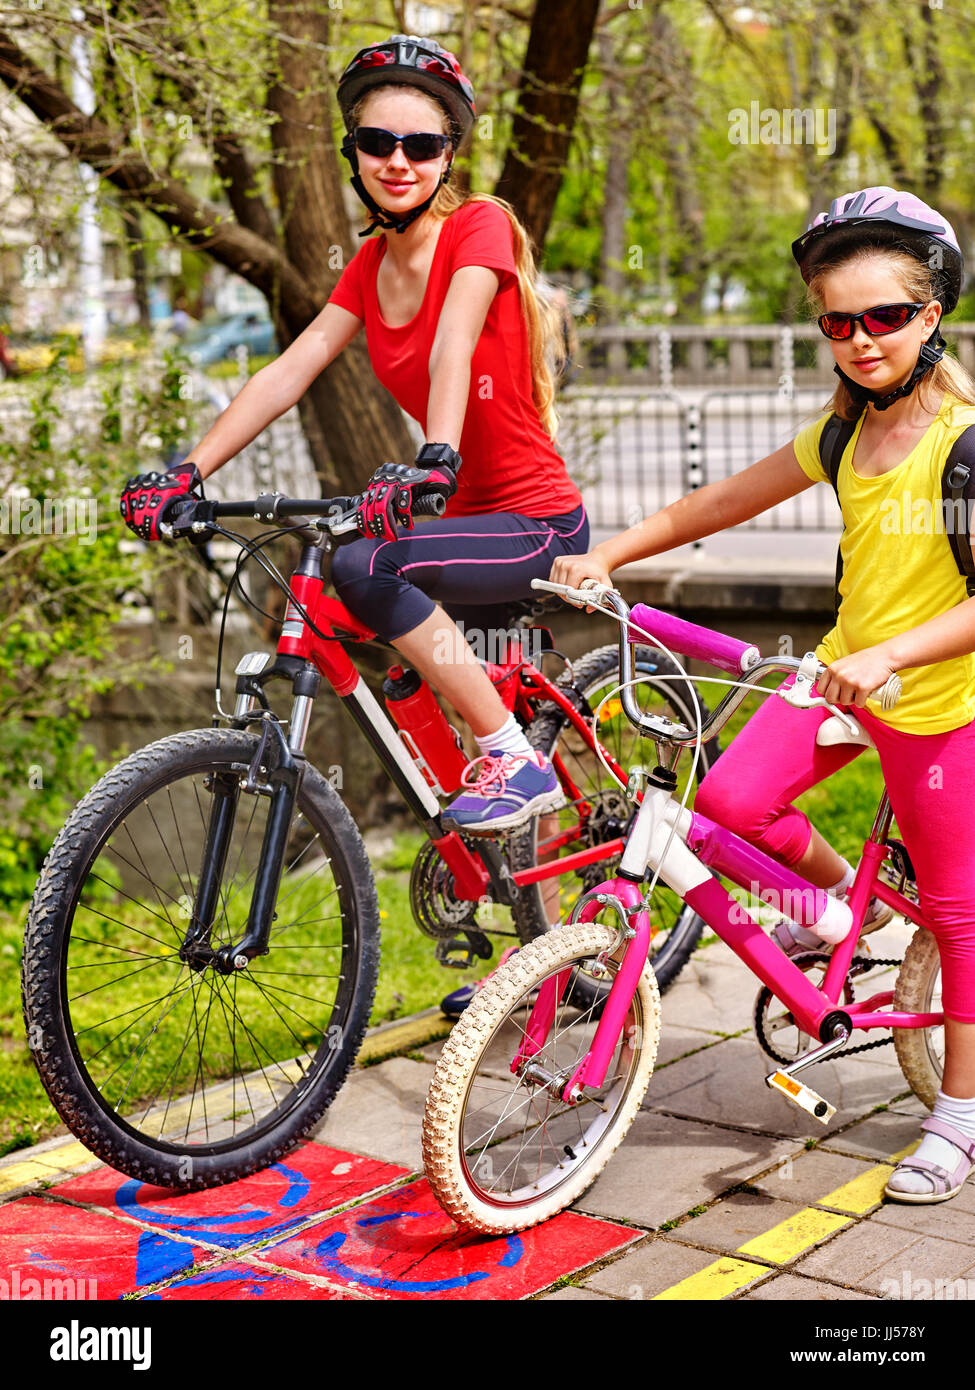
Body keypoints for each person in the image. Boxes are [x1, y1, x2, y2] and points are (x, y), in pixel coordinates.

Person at [552, 187, 975, 1205]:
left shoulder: (962, 443)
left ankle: (957, 1117)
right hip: (838, 670)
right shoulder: (840, 437)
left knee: (961, 918)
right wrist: (606, 551)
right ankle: (840, 916)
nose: (861, 339)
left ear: (929, 316)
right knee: (732, 805)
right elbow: (721, 500)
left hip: (940, 697)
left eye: (884, 316)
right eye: (839, 321)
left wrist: (893, 657)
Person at [118, 33, 588, 843]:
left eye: (422, 144)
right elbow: (288, 372)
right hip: (459, 524)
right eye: (378, 142)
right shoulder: (367, 267)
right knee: (344, 579)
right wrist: (184, 471)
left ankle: (514, 758)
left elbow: (453, 341)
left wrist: (434, 456)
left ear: (447, 156)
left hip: (533, 522)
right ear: (354, 153)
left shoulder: (477, 227)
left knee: (367, 565)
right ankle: (478, 816)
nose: (398, 160)